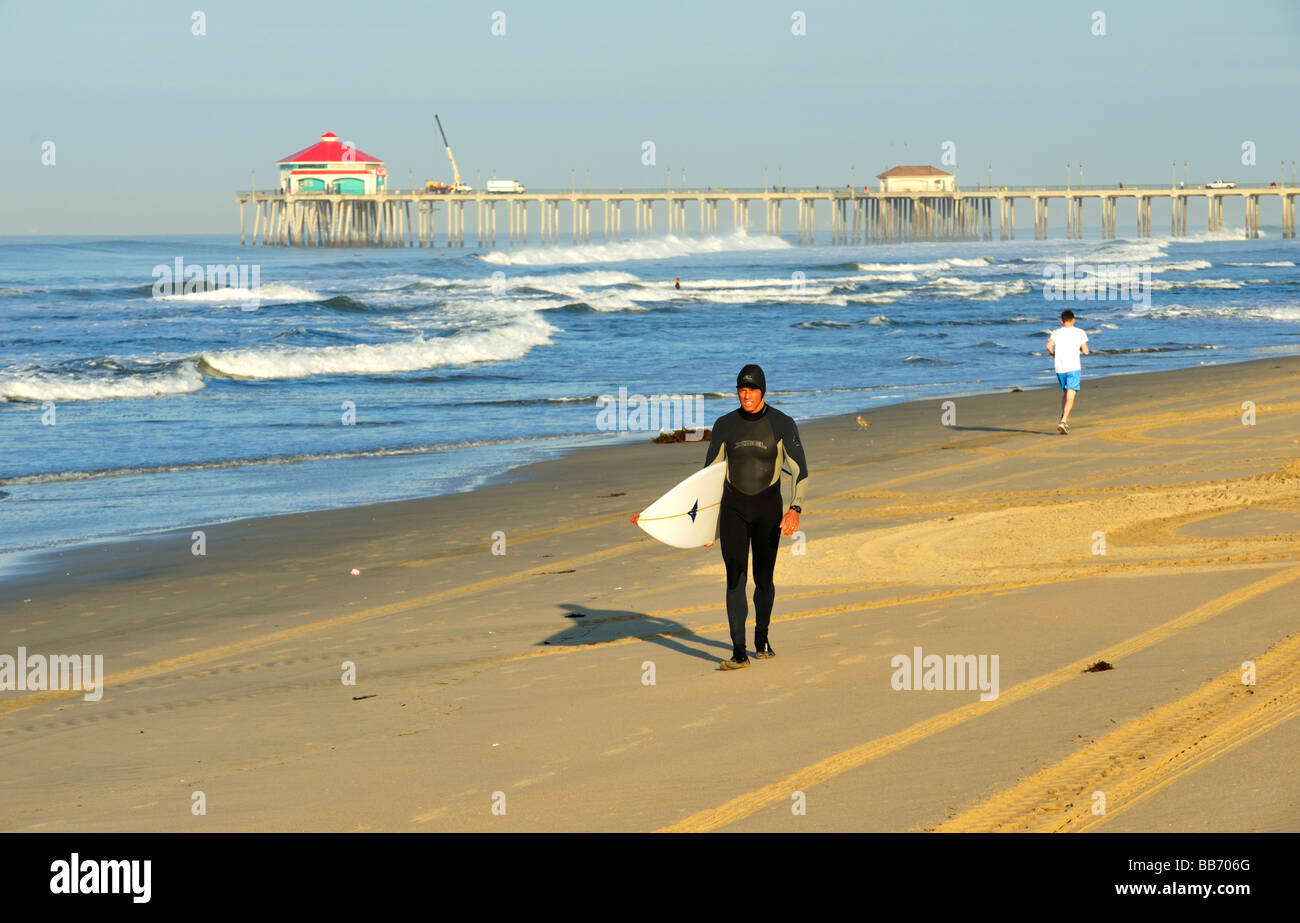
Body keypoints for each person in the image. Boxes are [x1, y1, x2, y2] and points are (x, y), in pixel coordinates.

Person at [704, 365, 808, 670]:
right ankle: (738, 651)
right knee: (735, 579)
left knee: (763, 579)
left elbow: (800, 470)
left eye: (751, 390)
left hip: (767, 511)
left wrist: (795, 508)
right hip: (733, 510)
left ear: (763, 391)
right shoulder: (725, 425)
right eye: (741, 390)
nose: (746, 395)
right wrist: (706, 526)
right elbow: (708, 476)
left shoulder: (781, 423)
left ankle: (761, 639)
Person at [1046, 310, 1090, 434]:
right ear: (1073, 320)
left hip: (1060, 367)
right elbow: (1086, 351)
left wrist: (1053, 354)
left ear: (1062, 320)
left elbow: (1048, 346)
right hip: (1073, 366)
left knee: (1066, 392)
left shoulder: (1056, 332)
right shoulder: (1080, 332)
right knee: (1071, 392)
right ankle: (1064, 420)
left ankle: (1063, 418)